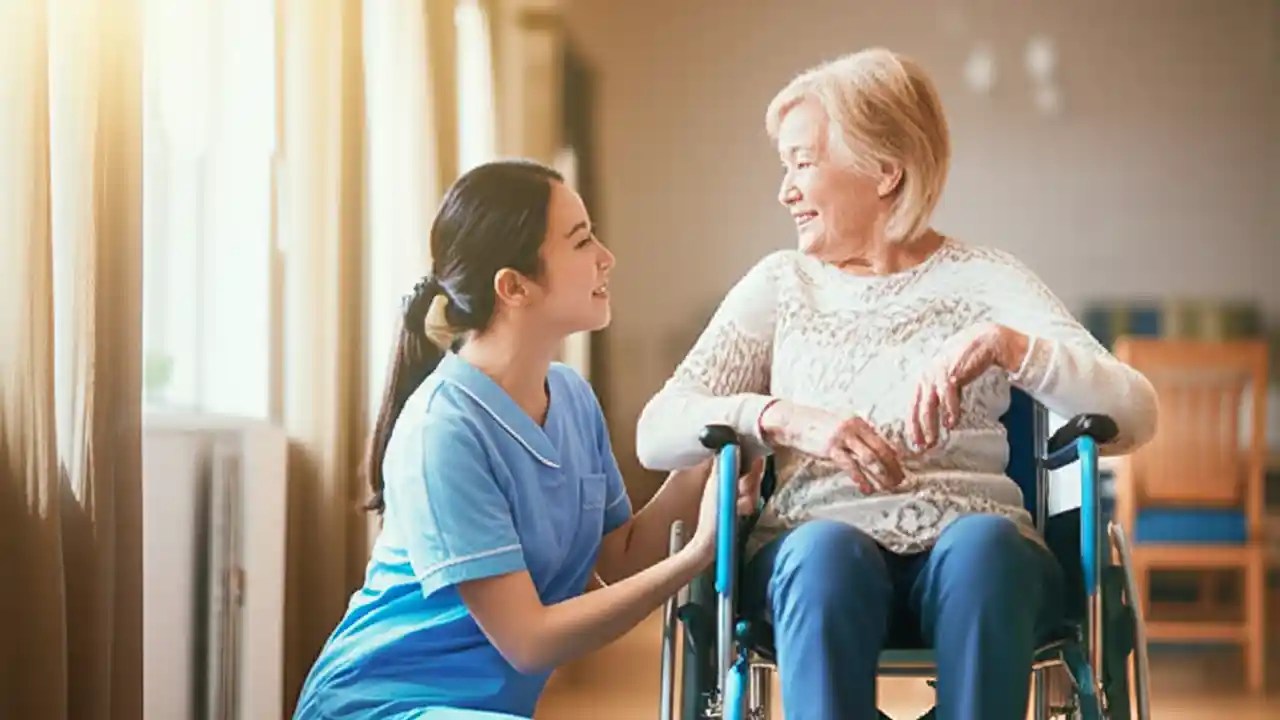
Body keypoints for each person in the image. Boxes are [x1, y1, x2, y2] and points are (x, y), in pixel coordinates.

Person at [635, 48, 1159, 720]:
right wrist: (781, 417)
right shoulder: (780, 285)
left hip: (980, 551)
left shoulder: (987, 279)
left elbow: (1136, 412)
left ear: (884, 171)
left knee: (986, 548)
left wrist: (1009, 346)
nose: (784, 190)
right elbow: (657, 431)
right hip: (812, 549)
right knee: (824, 554)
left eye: (802, 162)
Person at [293, 160, 762, 719]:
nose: (606, 258)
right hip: (384, 705)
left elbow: (621, 556)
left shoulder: (569, 396)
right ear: (513, 286)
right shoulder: (442, 430)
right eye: (582, 241)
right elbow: (529, 640)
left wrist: (700, 462)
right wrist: (698, 554)